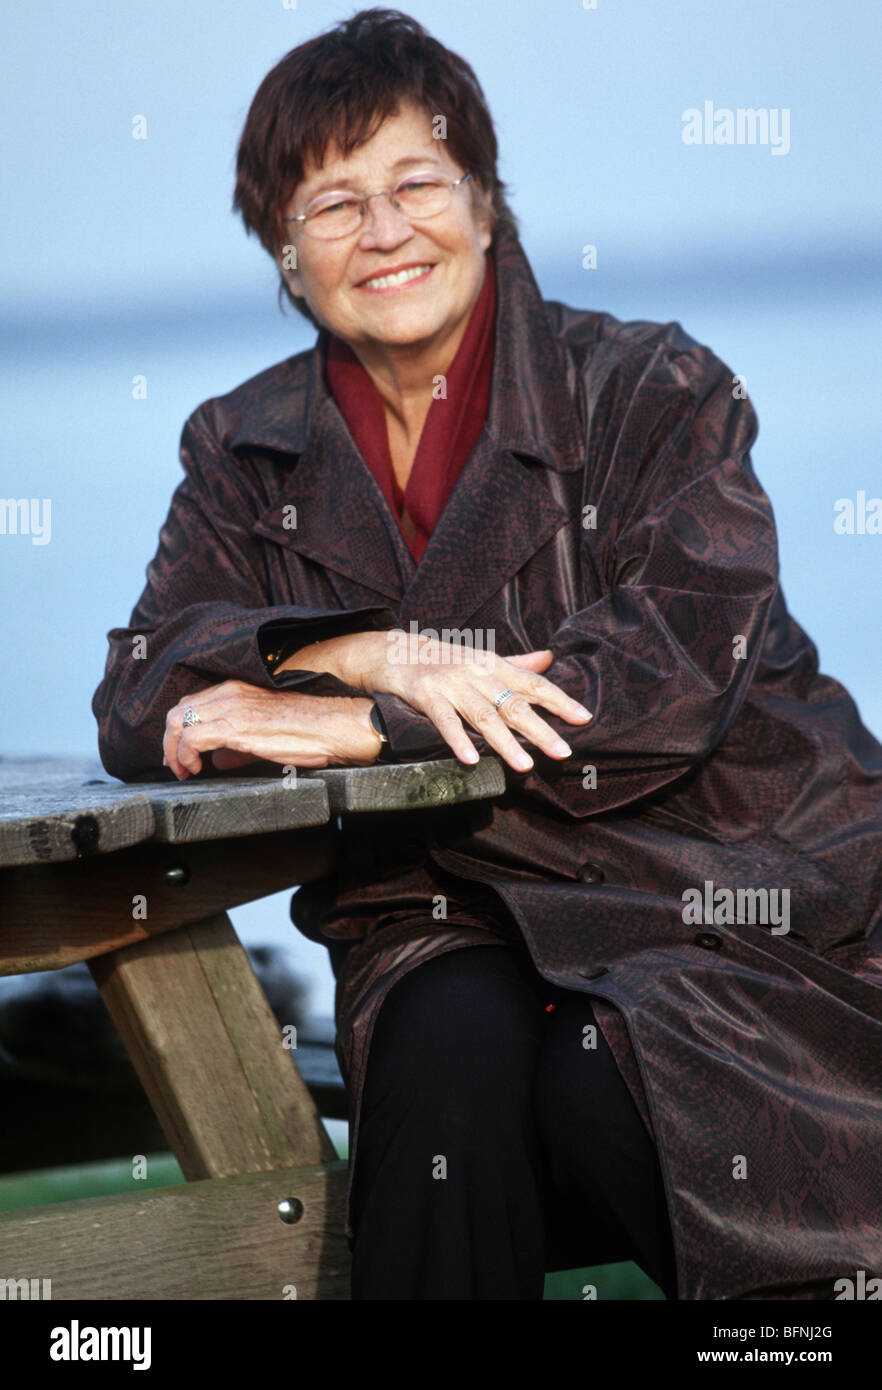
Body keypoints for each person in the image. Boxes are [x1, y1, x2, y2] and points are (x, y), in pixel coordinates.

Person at [92, 8, 882, 1301]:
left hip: (708, 884)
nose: (385, 230)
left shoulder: (655, 389)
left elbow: (666, 672)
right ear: (286, 257)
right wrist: (374, 653)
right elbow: (140, 690)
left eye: (416, 183)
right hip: (439, 905)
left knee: (604, 1076)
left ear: (485, 201)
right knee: (441, 1063)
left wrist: (366, 725)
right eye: (334, 204)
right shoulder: (241, 447)